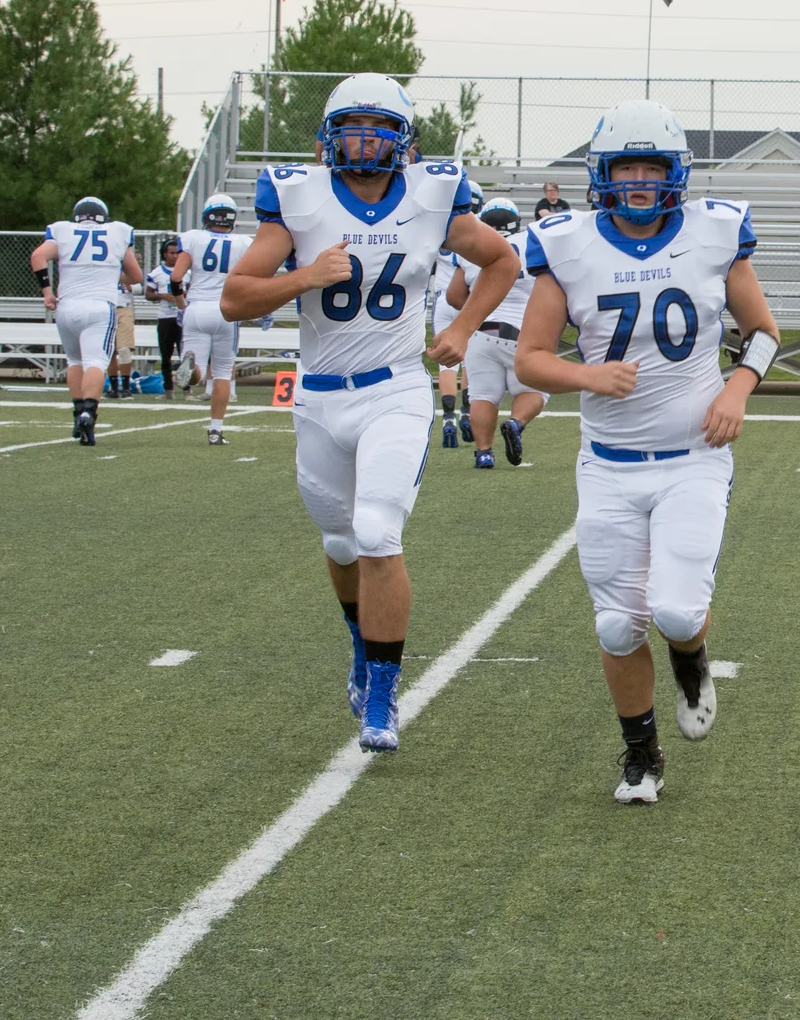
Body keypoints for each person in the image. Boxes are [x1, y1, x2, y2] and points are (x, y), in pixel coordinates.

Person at [220, 73, 519, 753]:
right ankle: (360, 642)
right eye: (351, 125)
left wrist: (466, 328)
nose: (363, 138)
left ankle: (382, 695)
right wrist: (304, 276)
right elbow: (236, 298)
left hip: (395, 388)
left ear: (402, 140)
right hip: (321, 392)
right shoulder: (297, 198)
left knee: (378, 528)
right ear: (329, 137)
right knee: (340, 538)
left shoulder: (433, 194)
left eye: (378, 126)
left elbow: (500, 261)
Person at [517, 100, 779, 805]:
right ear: (602, 173)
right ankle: (641, 751)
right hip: (607, 462)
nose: (638, 180)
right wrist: (585, 375)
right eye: (625, 166)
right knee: (614, 619)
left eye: (651, 167)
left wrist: (738, 389)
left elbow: (763, 330)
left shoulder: (714, 232)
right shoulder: (566, 243)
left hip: (693, 452)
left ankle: (691, 658)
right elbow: (531, 358)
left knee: (674, 611)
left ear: (676, 173)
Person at [33, 196, 142, 446]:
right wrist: (112, 270)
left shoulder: (63, 230)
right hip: (99, 306)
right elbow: (135, 276)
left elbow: (37, 257)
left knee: (75, 361)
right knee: (96, 361)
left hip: (67, 306)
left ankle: (77, 412)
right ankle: (88, 413)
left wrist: (47, 292)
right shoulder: (117, 232)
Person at [446, 198, 544, 469]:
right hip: (522, 332)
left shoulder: (472, 247)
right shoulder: (534, 242)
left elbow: (454, 296)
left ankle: (484, 453)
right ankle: (515, 423)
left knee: (483, 395)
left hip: (481, 332)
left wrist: (477, 311)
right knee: (533, 390)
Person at [172, 196, 245, 445]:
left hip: (197, 307)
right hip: (227, 309)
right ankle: (215, 430)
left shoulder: (193, 238)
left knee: (200, 373)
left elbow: (176, 277)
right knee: (223, 372)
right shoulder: (243, 243)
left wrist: (182, 305)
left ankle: (191, 371)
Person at [428, 182, 483, 448]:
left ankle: (448, 418)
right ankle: (467, 412)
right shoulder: (477, 228)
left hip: (442, 299)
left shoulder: (437, 225)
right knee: (469, 358)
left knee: (446, 363)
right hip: (468, 298)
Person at [143, 236, 183, 397]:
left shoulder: (186, 271)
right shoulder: (157, 273)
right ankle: (168, 390)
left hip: (182, 317)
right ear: (165, 254)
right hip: (165, 317)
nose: (175, 256)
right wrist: (162, 296)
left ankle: (187, 389)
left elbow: (194, 289)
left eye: (177, 253)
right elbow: (148, 294)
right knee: (165, 355)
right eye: (171, 253)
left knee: (185, 354)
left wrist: (183, 294)